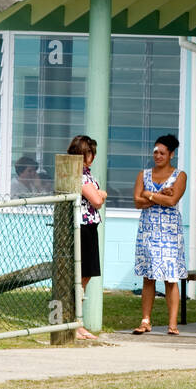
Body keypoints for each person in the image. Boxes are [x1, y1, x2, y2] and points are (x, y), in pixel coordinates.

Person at [133, 134, 188, 336]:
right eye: (155, 151)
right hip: (148, 230)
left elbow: (172, 201)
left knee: (170, 277)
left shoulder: (180, 176)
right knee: (149, 276)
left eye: (162, 152)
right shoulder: (143, 174)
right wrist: (157, 196)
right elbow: (137, 201)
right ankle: (145, 320)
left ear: (171, 154)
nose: (157, 155)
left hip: (170, 231)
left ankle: (172, 324)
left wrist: (149, 194)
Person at [68, 135, 105, 340]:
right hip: (81, 227)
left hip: (90, 226)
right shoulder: (79, 175)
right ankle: (74, 321)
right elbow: (97, 200)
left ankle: (78, 321)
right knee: (80, 276)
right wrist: (102, 194)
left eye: (91, 153)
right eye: (88, 152)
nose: (91, 157)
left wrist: (99, 193)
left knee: (86, 276)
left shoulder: (87, 174)